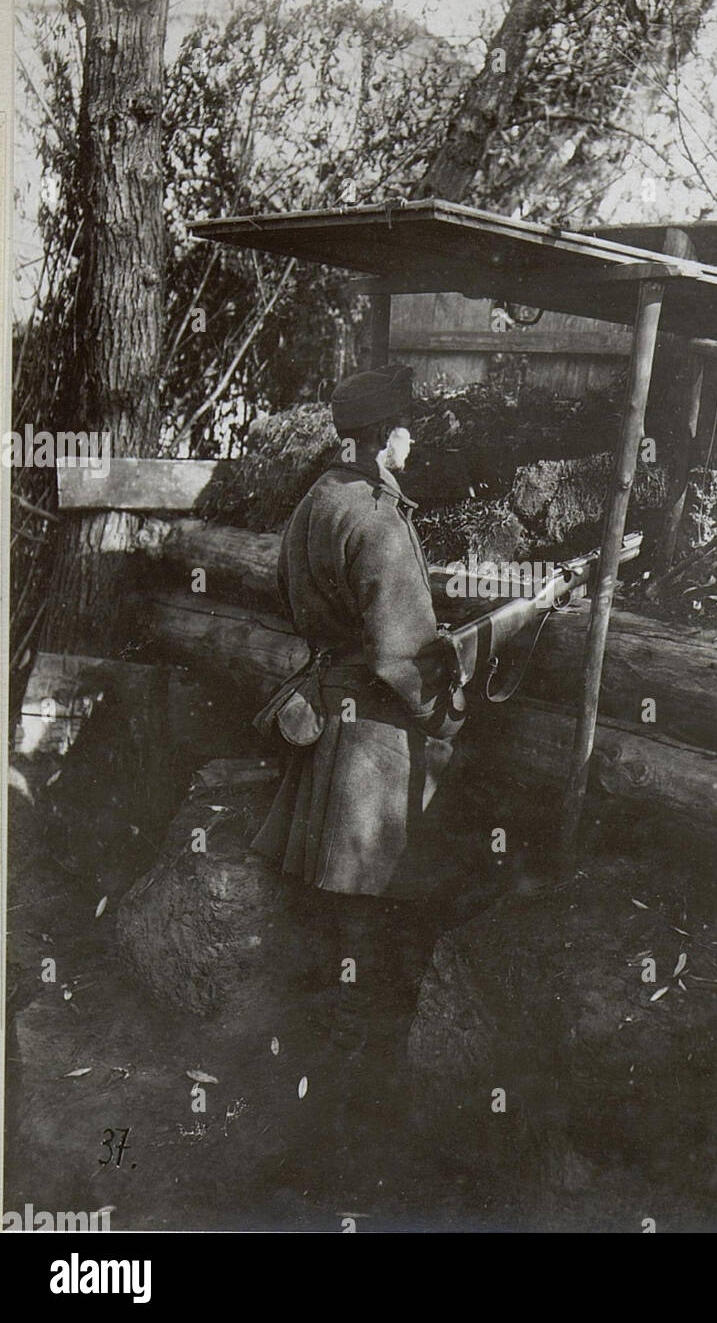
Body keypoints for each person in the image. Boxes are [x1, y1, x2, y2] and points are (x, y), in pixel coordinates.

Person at [251, 363, 462, 1060]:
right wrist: (451, 717)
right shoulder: (376, 519)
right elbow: (404, 653)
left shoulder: (319, 499)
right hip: (375, 734)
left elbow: (288, 591)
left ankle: (318, 1035)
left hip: (327, 708)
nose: (412, 444)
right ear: (381, 437)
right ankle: (361, 1058)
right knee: (370, 885)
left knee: (329, 890)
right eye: (405, 432)